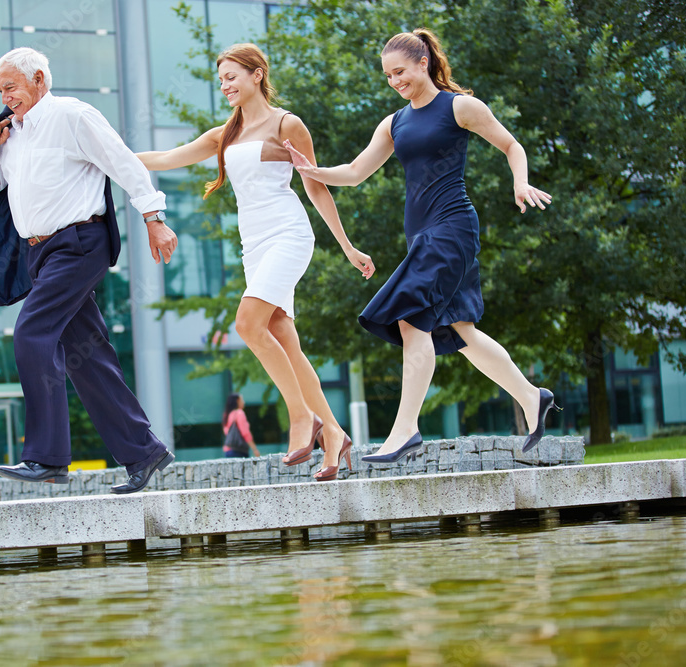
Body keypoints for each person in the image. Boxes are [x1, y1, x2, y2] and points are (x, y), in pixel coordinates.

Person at [284, 29, 559, 463]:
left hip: (452, 229)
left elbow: (511, 145)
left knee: (413, 320)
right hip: (423, 236)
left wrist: (520, 181)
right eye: (387, 75)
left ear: (423, 62)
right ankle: (531, 397)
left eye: (400, 71)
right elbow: (356, 172)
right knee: (461, 331)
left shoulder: (460, 106)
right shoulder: (395, 122)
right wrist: (311, 170)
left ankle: (405, 430)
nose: (394, 80)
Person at [137, 43, 375, 481]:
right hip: (255, 243)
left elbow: (316, 187)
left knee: (249, 323)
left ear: (257, 75)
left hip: (288, 232)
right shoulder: (224, 134)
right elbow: (167, 159)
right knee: (283, 335)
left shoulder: (288, 124)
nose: (225, 85)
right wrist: (106, 161)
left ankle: (302, 418)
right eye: (221, 79)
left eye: (231, 77)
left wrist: (346, 246)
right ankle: (336, 437)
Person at [0, 47, 178, 493]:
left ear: (39, 79)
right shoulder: (10, 132)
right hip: (41, 253)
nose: (5, 96)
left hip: (78, 244)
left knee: (31, 334)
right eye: (0, 89)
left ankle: (47, 458)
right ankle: (144, 451)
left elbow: (124, 163)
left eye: (11, 87)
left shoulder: (73, 116)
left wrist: (154, 219)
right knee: (88, 357)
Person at [221, 393, 262, 458]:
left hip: (228, 451)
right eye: (242, 400)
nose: (244, 402)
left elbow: (226, 432)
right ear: (237, 401)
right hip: (239, 451)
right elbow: (245, 433)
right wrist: (254, 449)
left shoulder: (227, 415)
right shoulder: (239, 413)